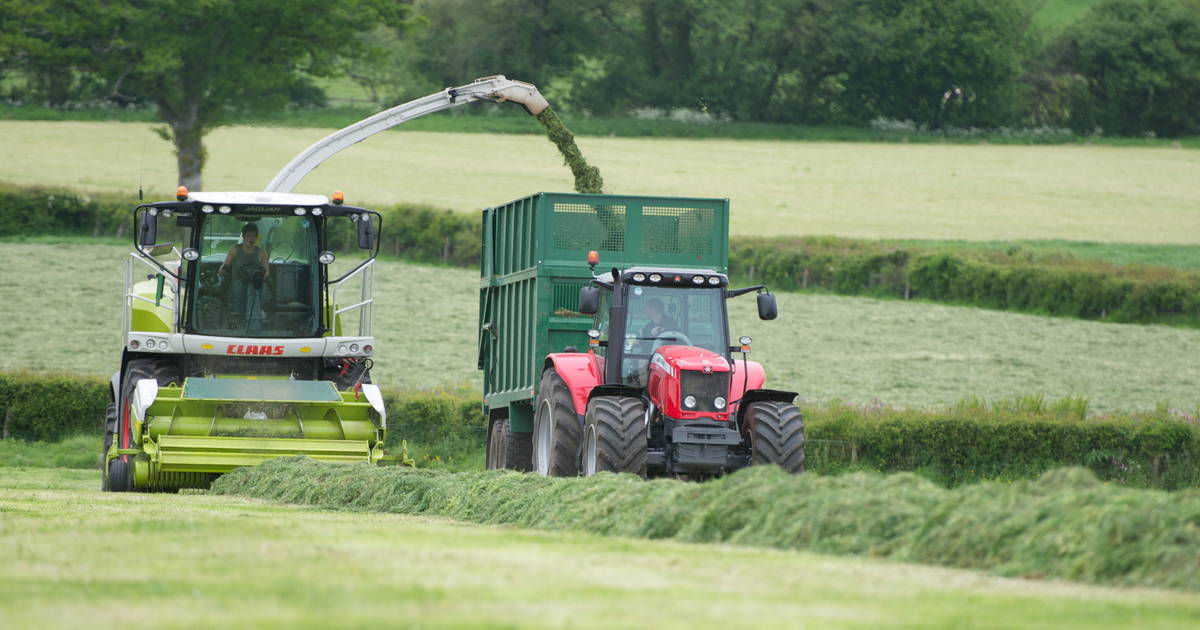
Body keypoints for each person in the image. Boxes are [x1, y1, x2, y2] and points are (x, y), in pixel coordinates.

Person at [219, 222, 270, 331]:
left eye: (253, 236)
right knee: (238, 287)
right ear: (243, 236)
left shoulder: (261, 252)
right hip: (239, 281)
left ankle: (257, 315)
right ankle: (240, 319)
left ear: (256, 237)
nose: (251, 238)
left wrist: (260, 278)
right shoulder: (235, 249)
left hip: (255, 282)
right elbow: (225, 265)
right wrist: (222, 270)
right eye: (248, 235)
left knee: (263, 287)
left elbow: (266, 272)